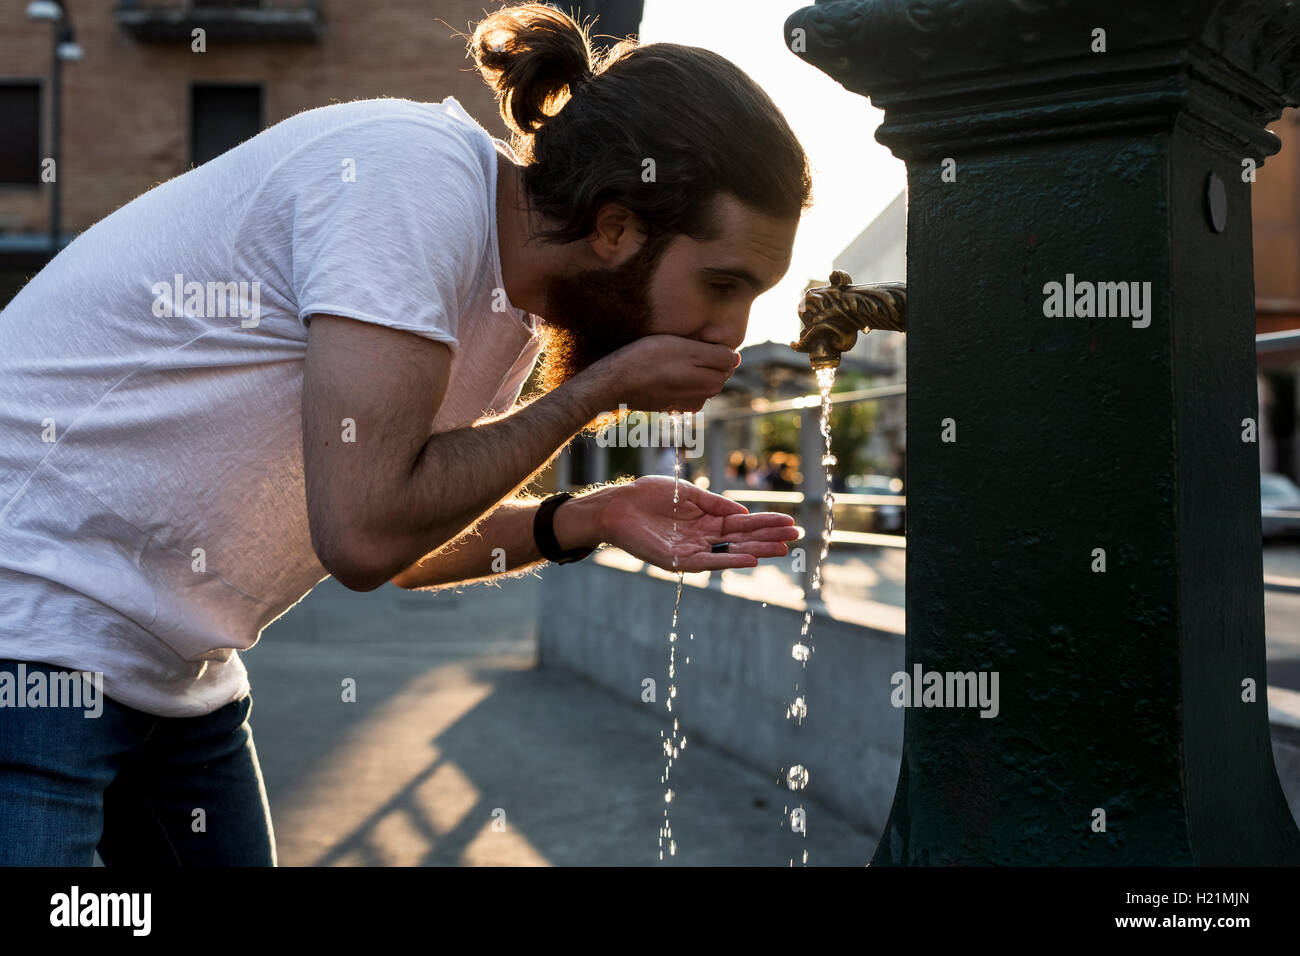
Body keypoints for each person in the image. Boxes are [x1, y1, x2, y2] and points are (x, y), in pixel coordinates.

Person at [0, 2, 810, 865]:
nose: (731, 330)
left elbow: (406, 543)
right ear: (615, 227)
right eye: (723, 284)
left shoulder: (510, 302)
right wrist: (595, 393)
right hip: (31, 634)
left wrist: (592, 516)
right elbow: (364, 530)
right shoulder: (408, 179)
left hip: (173, 674)